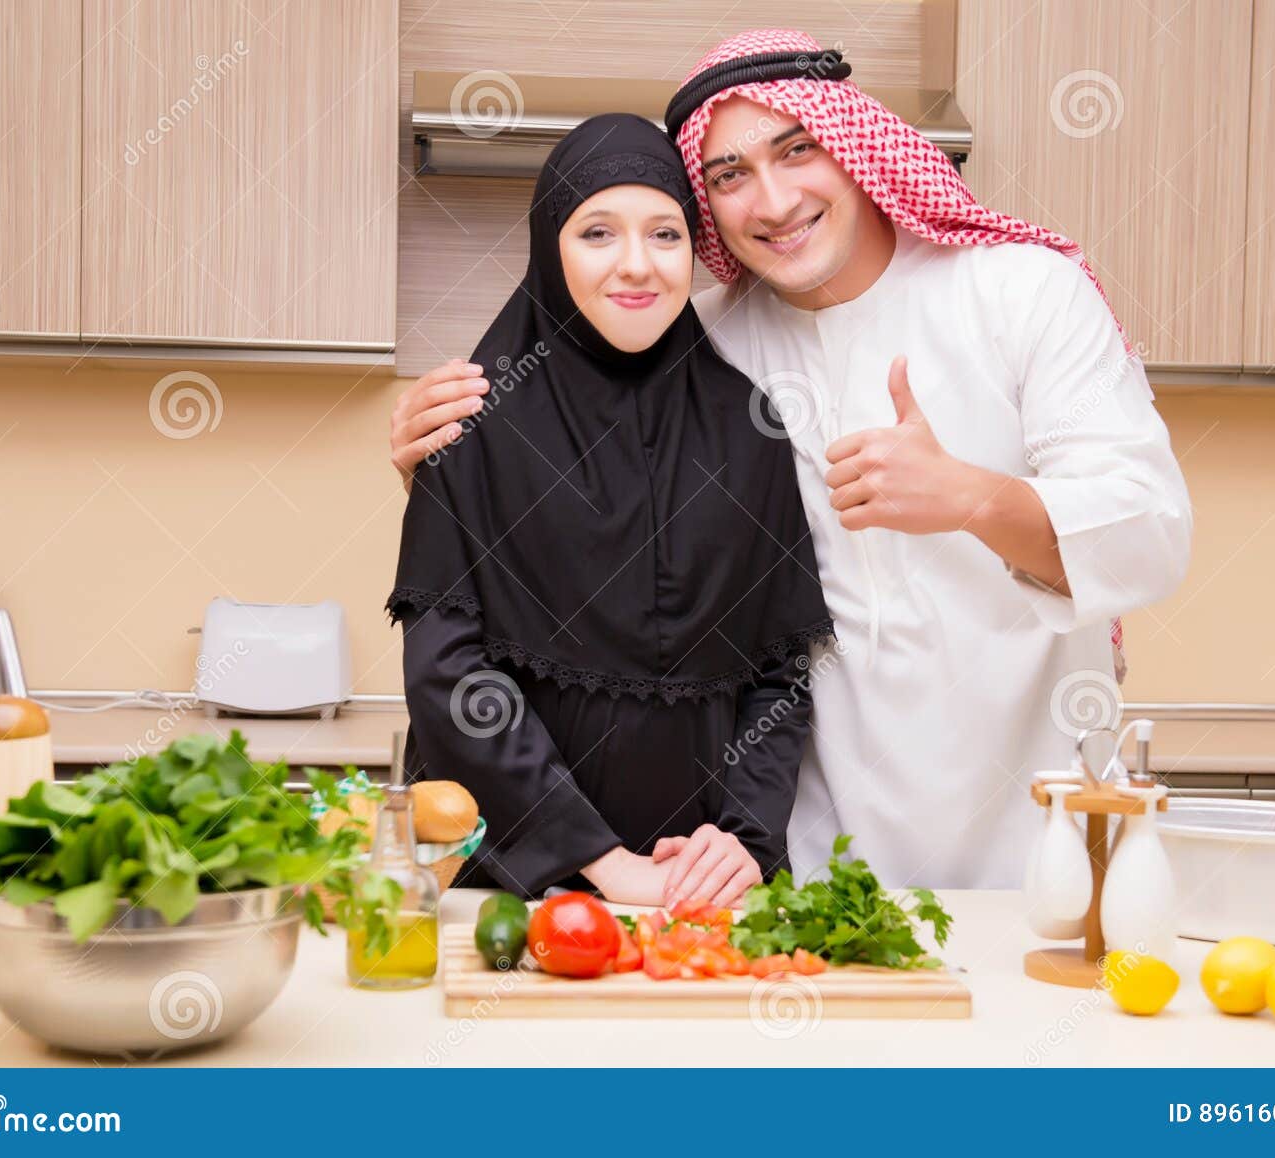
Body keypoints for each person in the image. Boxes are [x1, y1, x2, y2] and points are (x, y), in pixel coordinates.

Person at [391, 31, 1192, 890]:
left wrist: (969, 497)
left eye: (797, 149)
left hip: (1030, 841)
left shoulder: (1023, 293)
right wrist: (445, 482)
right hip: (812, 863)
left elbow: (1149, 535)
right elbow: (598, 567)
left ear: (854, 146)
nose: (772, 201)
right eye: (730, 175)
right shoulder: (714, 349)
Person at [390, 113, 834, 908]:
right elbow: (448, 674)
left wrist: (742, 840)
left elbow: (782, 672)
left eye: (666, 235)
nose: (638, 266)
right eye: (598, 233)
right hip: (506, 889)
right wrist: (603, 860)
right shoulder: (468, 421)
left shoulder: (753, 426)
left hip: (701, 894)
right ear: (549, 249)